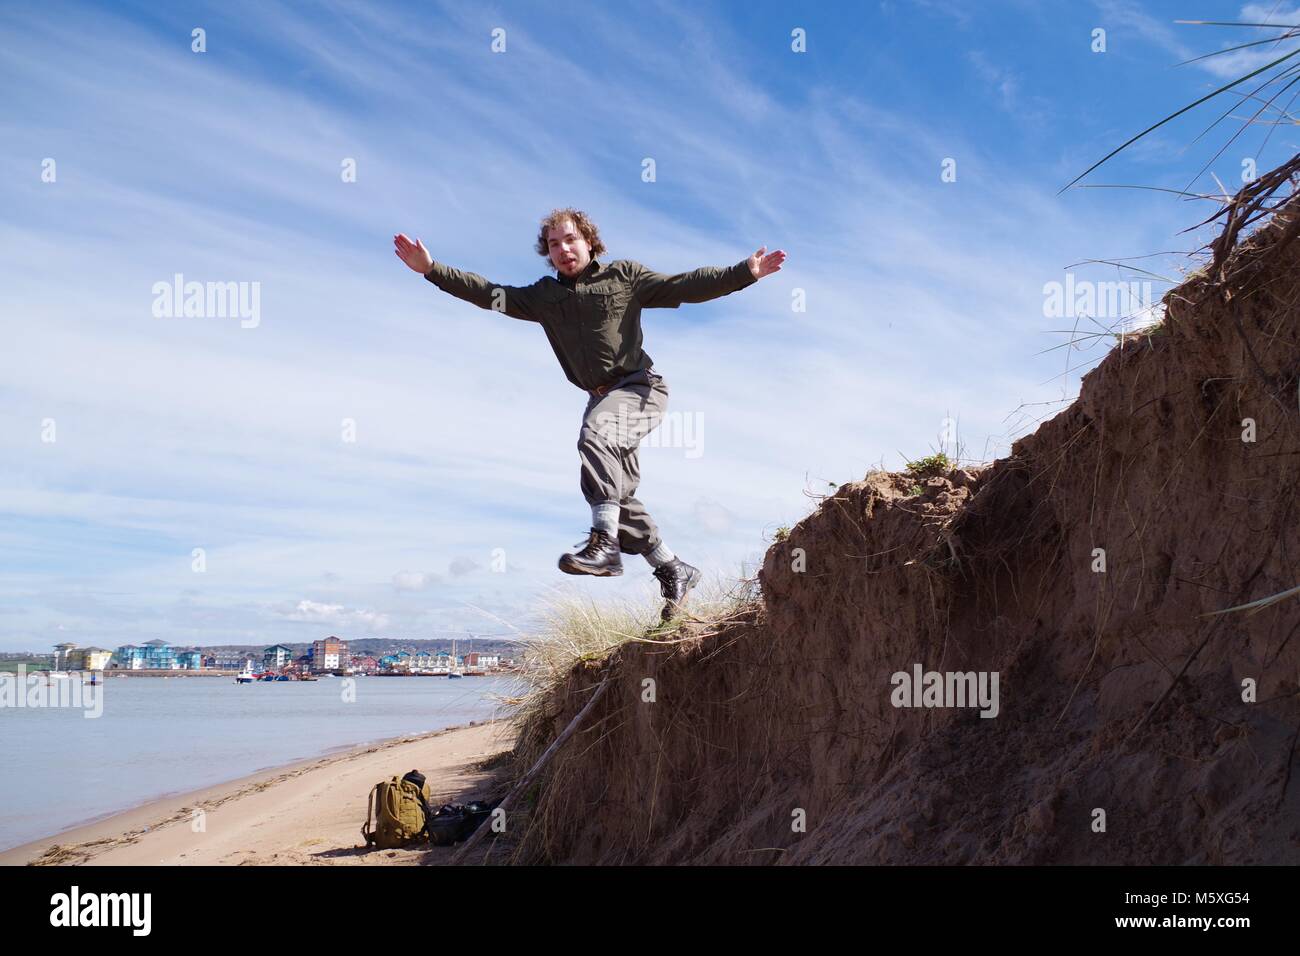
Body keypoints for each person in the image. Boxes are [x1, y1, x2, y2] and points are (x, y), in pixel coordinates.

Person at [394, 208, 785, 621]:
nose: (562, 250)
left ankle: (604, 545)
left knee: (594, 437)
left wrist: (745, 272)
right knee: (619, 493)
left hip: (639, 388)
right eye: (553, 244)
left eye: (570, 240)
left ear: (589, 242)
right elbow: (489, 293)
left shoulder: (624, 277)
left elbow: (683, 286)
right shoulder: (544, 297)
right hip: (599, 397)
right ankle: (672, 567)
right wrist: (432, 270)